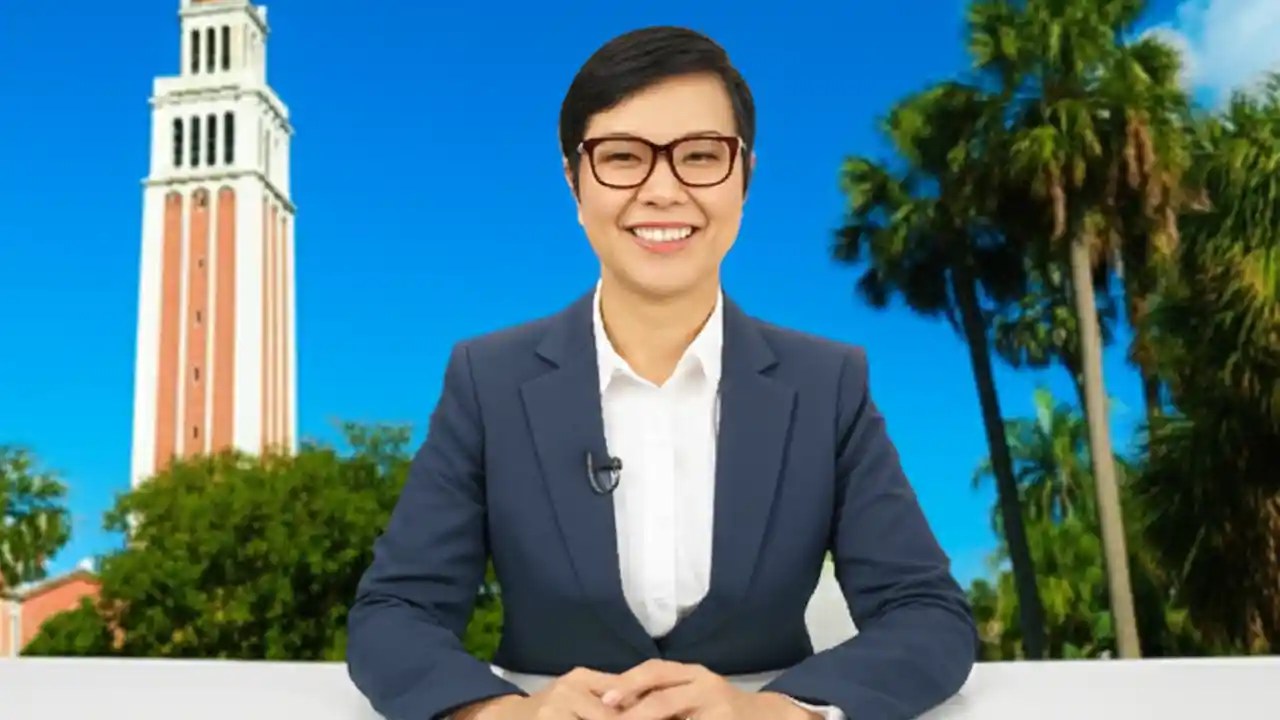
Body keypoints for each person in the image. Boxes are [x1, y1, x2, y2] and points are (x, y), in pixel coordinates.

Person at [346, 25, 977, 720]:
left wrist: (771, 712)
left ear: (745, 177)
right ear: (574, 181)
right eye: (622, 157)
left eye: (700, 156)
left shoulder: (827, 384)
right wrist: (506, 714)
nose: (662, 189)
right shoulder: (487, 380)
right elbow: (395, 612)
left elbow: (926, 615)